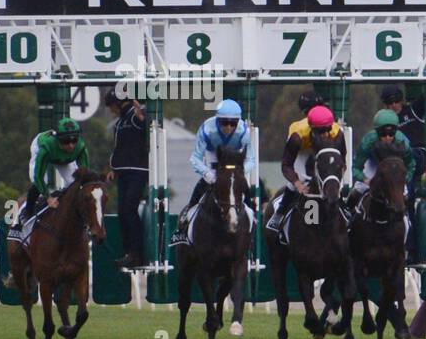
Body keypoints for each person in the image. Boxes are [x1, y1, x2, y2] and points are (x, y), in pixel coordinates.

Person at [172, 98, 258, 243]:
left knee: (245, 194)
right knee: (202, 186)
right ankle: (187, 215)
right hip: (213, 155)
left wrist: (240, 173)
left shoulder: (244, 131)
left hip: (233, 158)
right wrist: (208, 174)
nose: (229, 127)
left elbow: (251, 159)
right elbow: (195, 159)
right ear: (218, 120)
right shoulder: (207, 129)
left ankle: (253, 222)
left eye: (233, 123)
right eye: (224, 122)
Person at [267, 103, 345, 232]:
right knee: (300, 181)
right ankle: (281, 211)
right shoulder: (297, 137)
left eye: (328, 129)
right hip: (304, 149)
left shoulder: (337, 133)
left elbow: (342, 159)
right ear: (312, 129)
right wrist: (297, 183)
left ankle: (343, 209)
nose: (325, 134)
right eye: (320, 131)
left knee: (332, 179)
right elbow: (286, 165)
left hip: (326, 150)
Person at [104, 93, 148, 268]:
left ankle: (137, 253)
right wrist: (113, 169)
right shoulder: (120, 123)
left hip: (138, 171)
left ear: (118, 104)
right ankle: (129, 252)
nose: (112, 111)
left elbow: (147, 127)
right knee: (122, 211)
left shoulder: (135, 116)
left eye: (112, 107)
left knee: (130, 208)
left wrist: (142, 119)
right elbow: (119, 147)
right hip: (123, 172)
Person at [23, 118, 89, 223]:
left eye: (74, 140)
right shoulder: (46, 147)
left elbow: (84, 176)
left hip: (63, 158)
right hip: (43, 150)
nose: (71, 145)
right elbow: (38, 176)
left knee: (74, 184)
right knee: (38, 185)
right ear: (58, 139)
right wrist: (48, 198)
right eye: (66, 141)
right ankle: (26, 214)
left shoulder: (81, 147)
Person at [349, 109, 411, 205]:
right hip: (373, 165)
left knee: (405, 195)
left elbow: (411, 165)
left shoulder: (404, 143)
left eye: (391, 134)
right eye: (383, 134)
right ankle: (349, 215)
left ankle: (407, 219)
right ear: (377, 132)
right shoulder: (367, 142)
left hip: (395, 170)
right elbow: (356, 167)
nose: (387, 137)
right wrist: (364, 179)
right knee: (358, 189)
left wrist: (404, 179)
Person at [381, 85, 426, 202]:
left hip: (417, 155)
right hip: (397, 163)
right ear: (386, 104)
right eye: (390, 102)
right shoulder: (384, 121)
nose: (394, 105)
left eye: (396, 100)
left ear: (401, 100)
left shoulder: (413, 110)